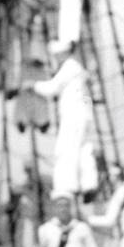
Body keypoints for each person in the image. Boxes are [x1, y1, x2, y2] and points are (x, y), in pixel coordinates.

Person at [26, 40, 96, 200]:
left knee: (65, 149)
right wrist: (88, 115)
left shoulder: (70, 67)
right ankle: (89, 184)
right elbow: (87, 96)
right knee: (84, 150)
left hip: (73, 115)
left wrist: (33, 85)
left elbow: (52, 88)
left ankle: (67, 186)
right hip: (83, 115)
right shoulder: (79, 69)